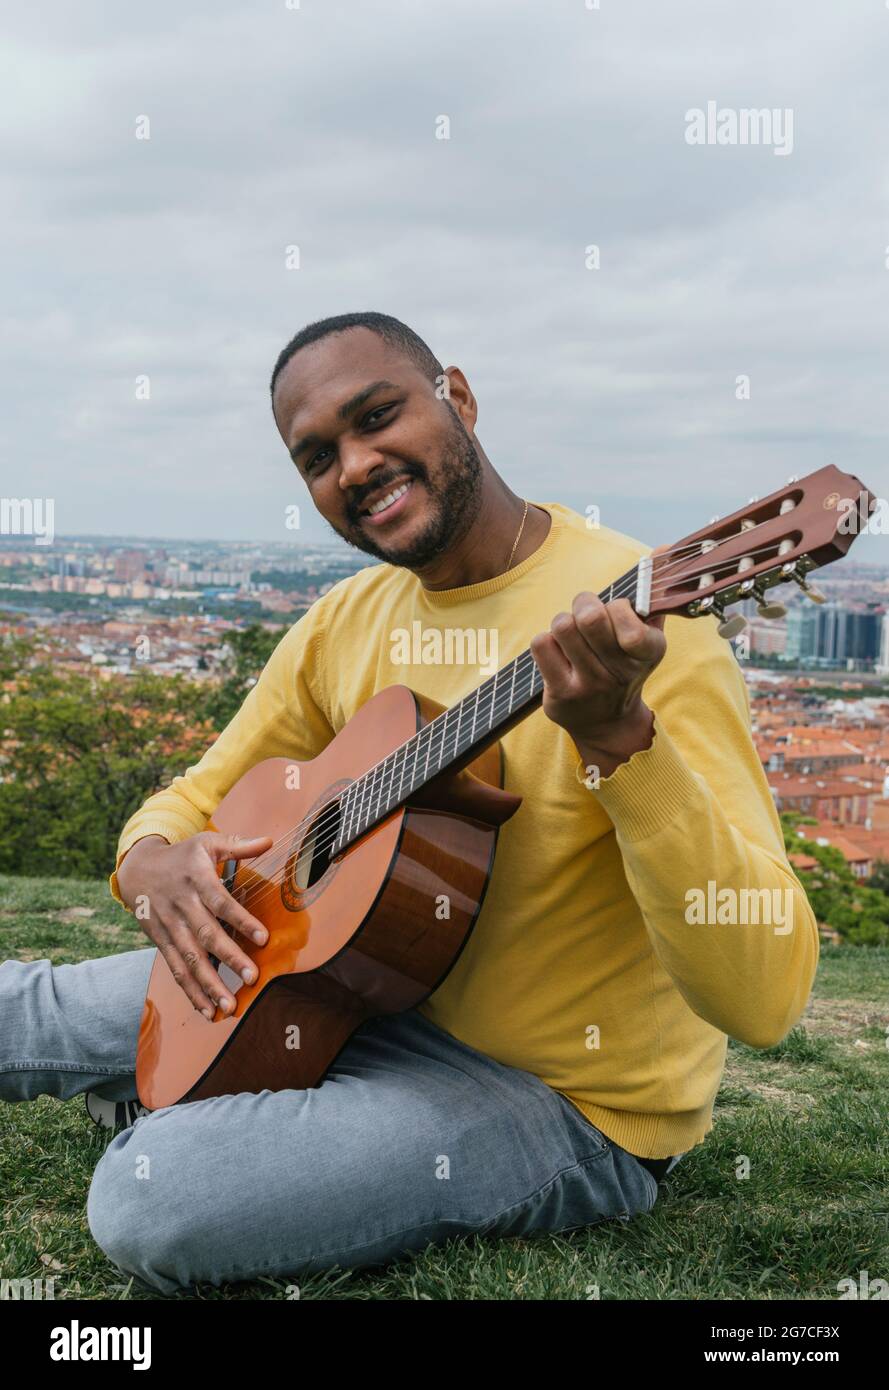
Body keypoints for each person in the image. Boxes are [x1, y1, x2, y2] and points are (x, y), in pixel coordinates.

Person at [0, 311, 819, 1295]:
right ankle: (205, 1098)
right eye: (315, 456)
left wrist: (617, 741)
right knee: (26, 1007)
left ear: (457, 398)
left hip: (558, 1099)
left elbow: (763, 999)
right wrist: (152, 864)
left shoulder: (645, 633)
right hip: (353, 991)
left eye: (376, 414)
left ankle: (179, 1112)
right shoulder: (344, 621)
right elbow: (194, 798)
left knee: (148, 1196)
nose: (352, 464)